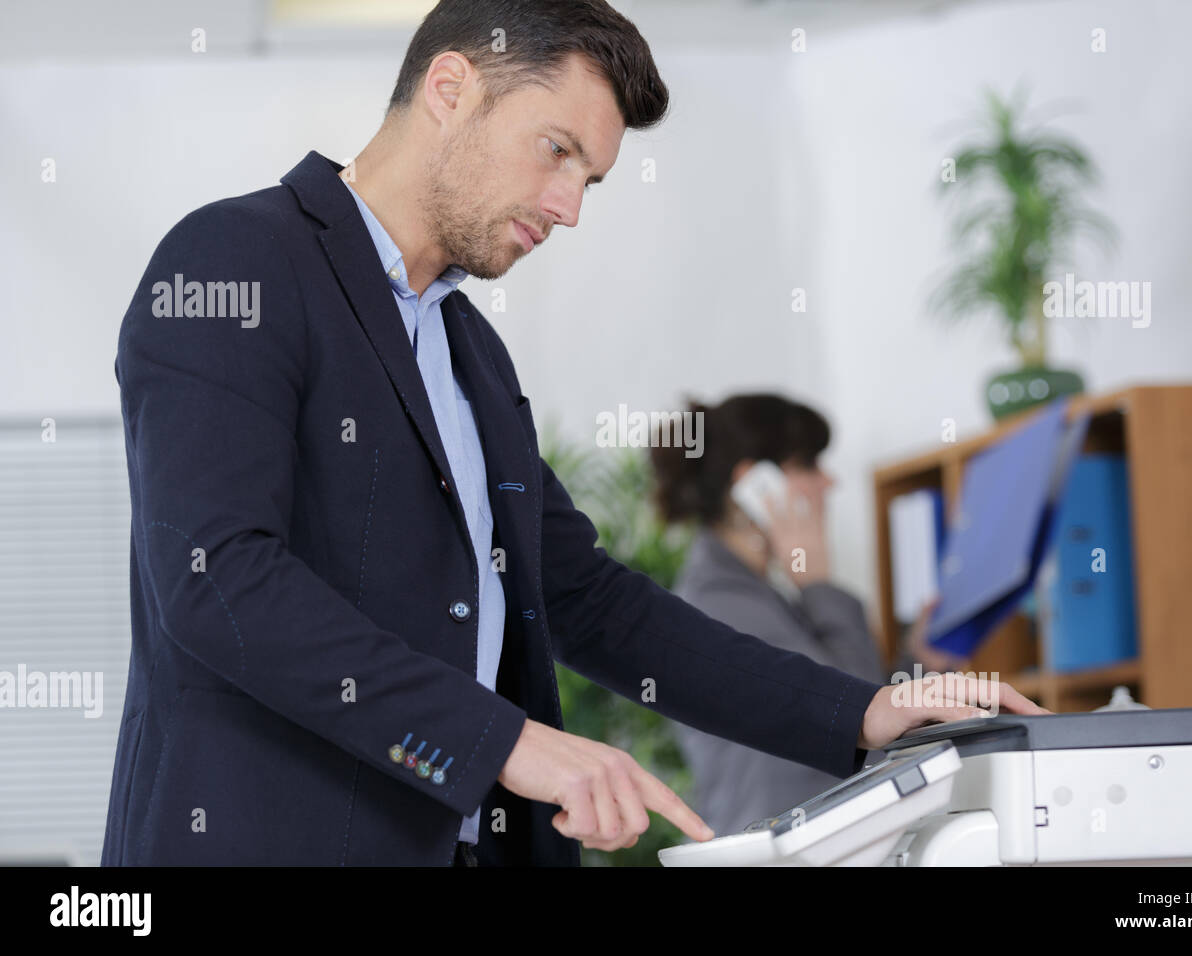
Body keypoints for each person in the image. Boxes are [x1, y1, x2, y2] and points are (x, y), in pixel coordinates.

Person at [101, 0, 1046, 868]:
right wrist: (505, 744)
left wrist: (867, 708)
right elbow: (218, 578)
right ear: (451, 88)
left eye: (588, 177)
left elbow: (591, 604)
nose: (569, 207)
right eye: (555, 152)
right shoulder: (236, 262)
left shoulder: (468, 350)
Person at [651, 395, 968, 836]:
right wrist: (817, 580)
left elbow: (858, 703)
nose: (829, 483)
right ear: (754, 485)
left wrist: (917, 661)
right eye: (810, 465)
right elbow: (851, 717)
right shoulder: (719, 602)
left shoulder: (756, 594)